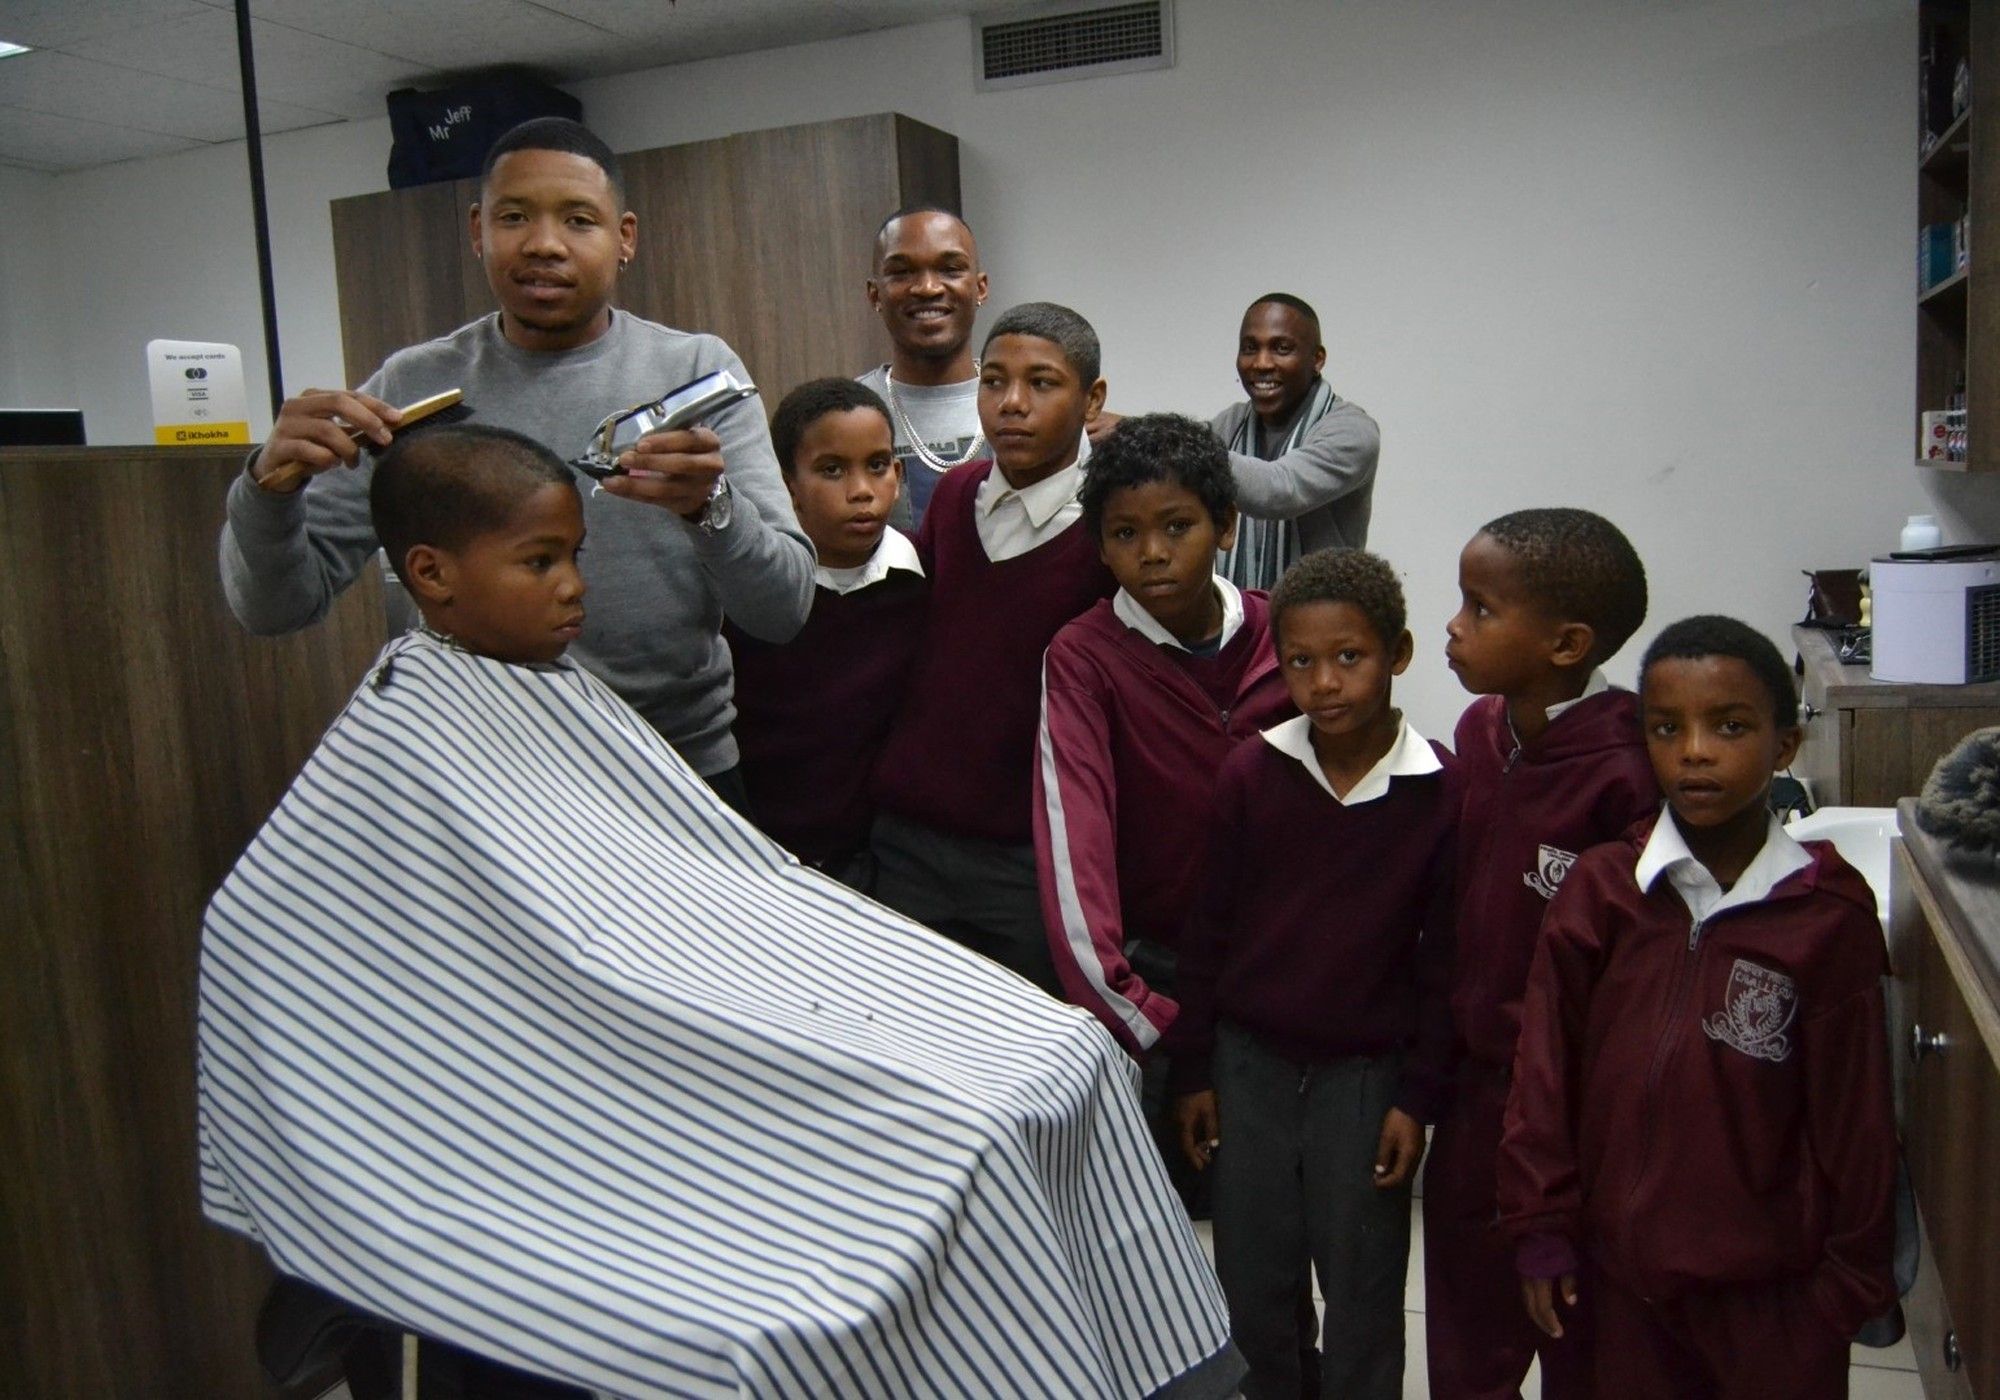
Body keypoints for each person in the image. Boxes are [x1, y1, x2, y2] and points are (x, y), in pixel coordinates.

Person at [198, 420, 1246, 1400]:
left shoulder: (552, 689)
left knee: (1058, 1051)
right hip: (612, 1071)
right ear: (429, 574)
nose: (576, 588)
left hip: (711, 974)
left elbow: (710, 889)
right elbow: (265, 927)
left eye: (575, 554)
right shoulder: (406, 731)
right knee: (958, 1132)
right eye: (541, 562)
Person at [218, 116, 813, 807]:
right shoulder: (413, 388)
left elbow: (784, 611)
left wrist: (708, 510)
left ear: (624, 239)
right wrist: (267, 490)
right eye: (514, 217)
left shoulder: (696, 376)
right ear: (477, 231)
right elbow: (275, 608)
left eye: (578, 220)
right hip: (480, 783)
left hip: (675, 773)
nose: (543, 244)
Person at [1497, 615, 1896, 1399]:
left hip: (1771, 1306)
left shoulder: (1826, 918)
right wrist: (1541, 1230)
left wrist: (1842, 1294)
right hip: (1610, 1291)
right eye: (1666, 728)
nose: (1695, 751)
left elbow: (1859, 1122)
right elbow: (1543, 1072)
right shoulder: (1605, 890)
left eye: (1731, 726)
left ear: (1784, 746)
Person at [1171, 548, 1458, 1400]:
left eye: (1349, 658)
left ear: (1397, 655)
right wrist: (1193, 1071)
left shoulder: (1441, 792)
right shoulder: (1254, 775)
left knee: (1365, 1287)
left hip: (1366, 1080)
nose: (1324, 683)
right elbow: (1206, 932)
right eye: (1301, 662)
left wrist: (1419, 1096)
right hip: (1248, 1066)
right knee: (1254, 1286)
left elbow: (1445, 962)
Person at [1426, 507, 1658, 1400]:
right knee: (1464, 1338)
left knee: (1577, 1336)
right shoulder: (1484, 733)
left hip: (1576, 1118)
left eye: (1480, 608)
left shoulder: (1627, 772)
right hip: (1477, 1101)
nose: (1453, 626)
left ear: (1566, 644)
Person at [870, 302, 1116, 994]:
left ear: (1092, 398)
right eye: (995, 381)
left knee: (1029, 1056)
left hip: (1028, 856)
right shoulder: (954, 495)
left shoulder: (1112, 528)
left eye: (1041, 384)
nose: (1011, 404)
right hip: (912, 838)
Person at [1034, 411, 1293, 1057]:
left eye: (1178, 526)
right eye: (1125, 532)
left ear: (1226, 525)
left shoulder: (1291, 639)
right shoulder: (1084, 659)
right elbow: (1075, 846)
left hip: (1284, 971)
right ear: (1099, 545)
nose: (1153, 552)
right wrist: (1141, 1015)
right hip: (1158, 975)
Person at [724, 378, 925, 884]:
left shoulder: (924, 583)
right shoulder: (749, 596)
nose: (861, 491)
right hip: (757, 853)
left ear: (898, 475)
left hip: (884, 863)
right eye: (832, 470)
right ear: (786, 485)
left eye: (877, 466)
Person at [1208, 294, 1380, 591]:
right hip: (1242, 626)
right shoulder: (1232, 423)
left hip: (1323, 625)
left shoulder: (1353, 430)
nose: (1261, 363)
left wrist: (1158, 436)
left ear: (1317, 359)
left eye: (1281, 348)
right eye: (1250, 348)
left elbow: (1278, 490)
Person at [857, 205, 989, 529]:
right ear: (875, 295)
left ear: (980, 288)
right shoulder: (845, 411)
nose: (928, 288)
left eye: (951, 269)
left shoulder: (1025, 401)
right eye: (902, 272)